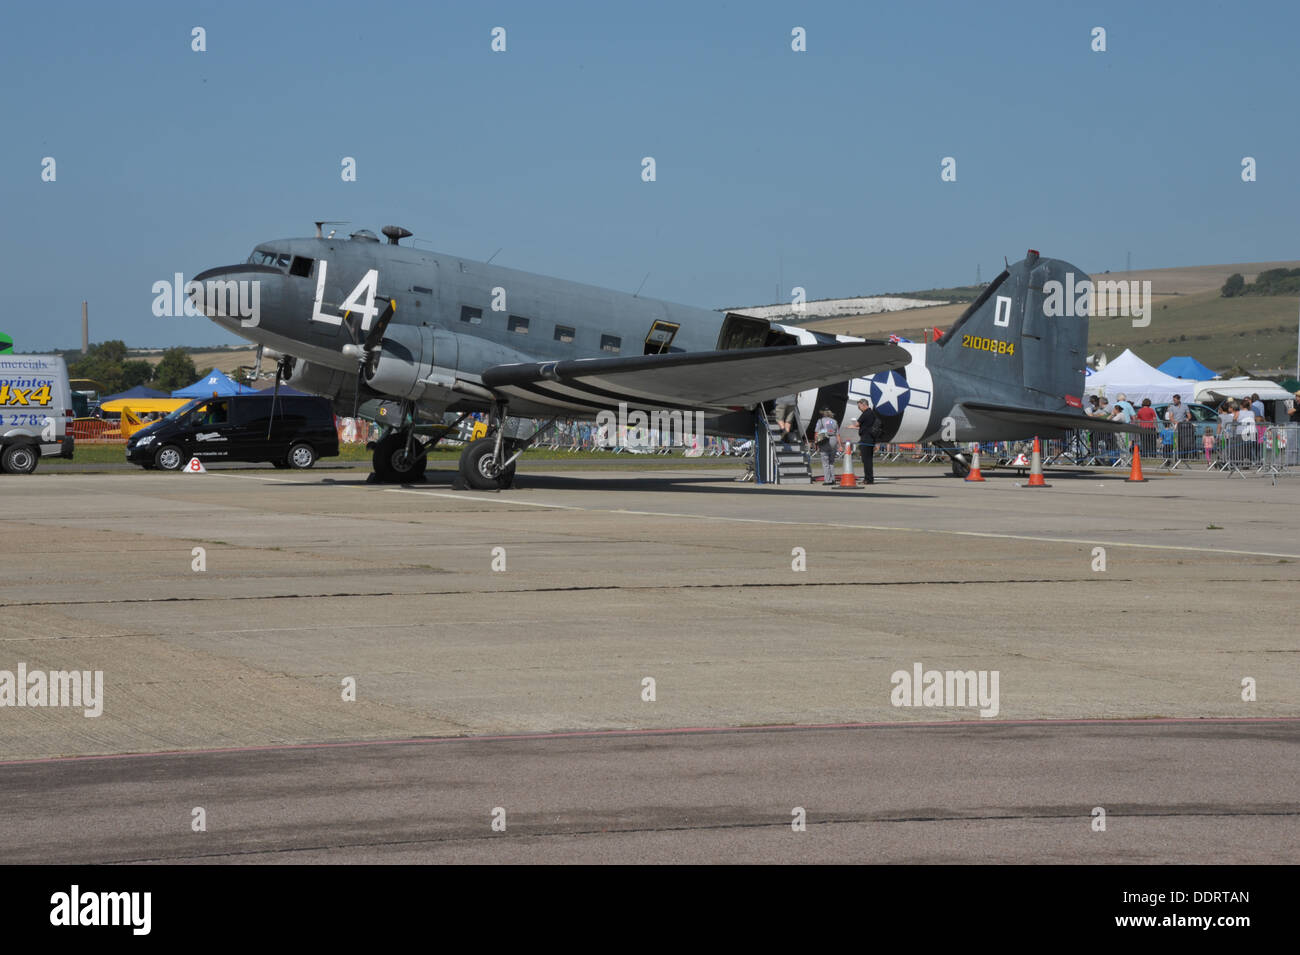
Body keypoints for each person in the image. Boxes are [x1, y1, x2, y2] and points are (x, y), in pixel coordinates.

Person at [854, 398, 878, 485]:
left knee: (866, 460)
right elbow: (866, 426)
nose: (859, 408)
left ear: (864, 404)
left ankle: (868, 479)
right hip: (870, 440)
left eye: (859, 406)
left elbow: (857, 423)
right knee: (868, 460)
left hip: (866, 440)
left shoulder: (866, 413)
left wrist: (852, 425)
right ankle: (869, 478)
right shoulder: (872, 413)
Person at [813, 407, 840, 485]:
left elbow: (816, 433)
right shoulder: (835, 421)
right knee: (831, 462)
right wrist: (840, 445)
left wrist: (816, 443)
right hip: (833, 440)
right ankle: (833, 479)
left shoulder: (820, 421)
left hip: (824, 440)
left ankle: (827, 480)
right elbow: (838, 434)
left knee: (825, 462)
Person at [1165, 393, 1191, 459]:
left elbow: (1189, 416)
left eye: (1175, 400)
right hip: (1175, 427)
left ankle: (1182, 457)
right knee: (1175, 442)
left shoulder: (1185, 406)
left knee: (1182, 442)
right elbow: (1171, 417)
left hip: (1183, 427)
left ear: (1179, 399)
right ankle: (1174, 457)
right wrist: (1175, 422)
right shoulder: (1171, 407)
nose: (1174, 401)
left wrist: (1187, 419)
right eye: (1173, 400)